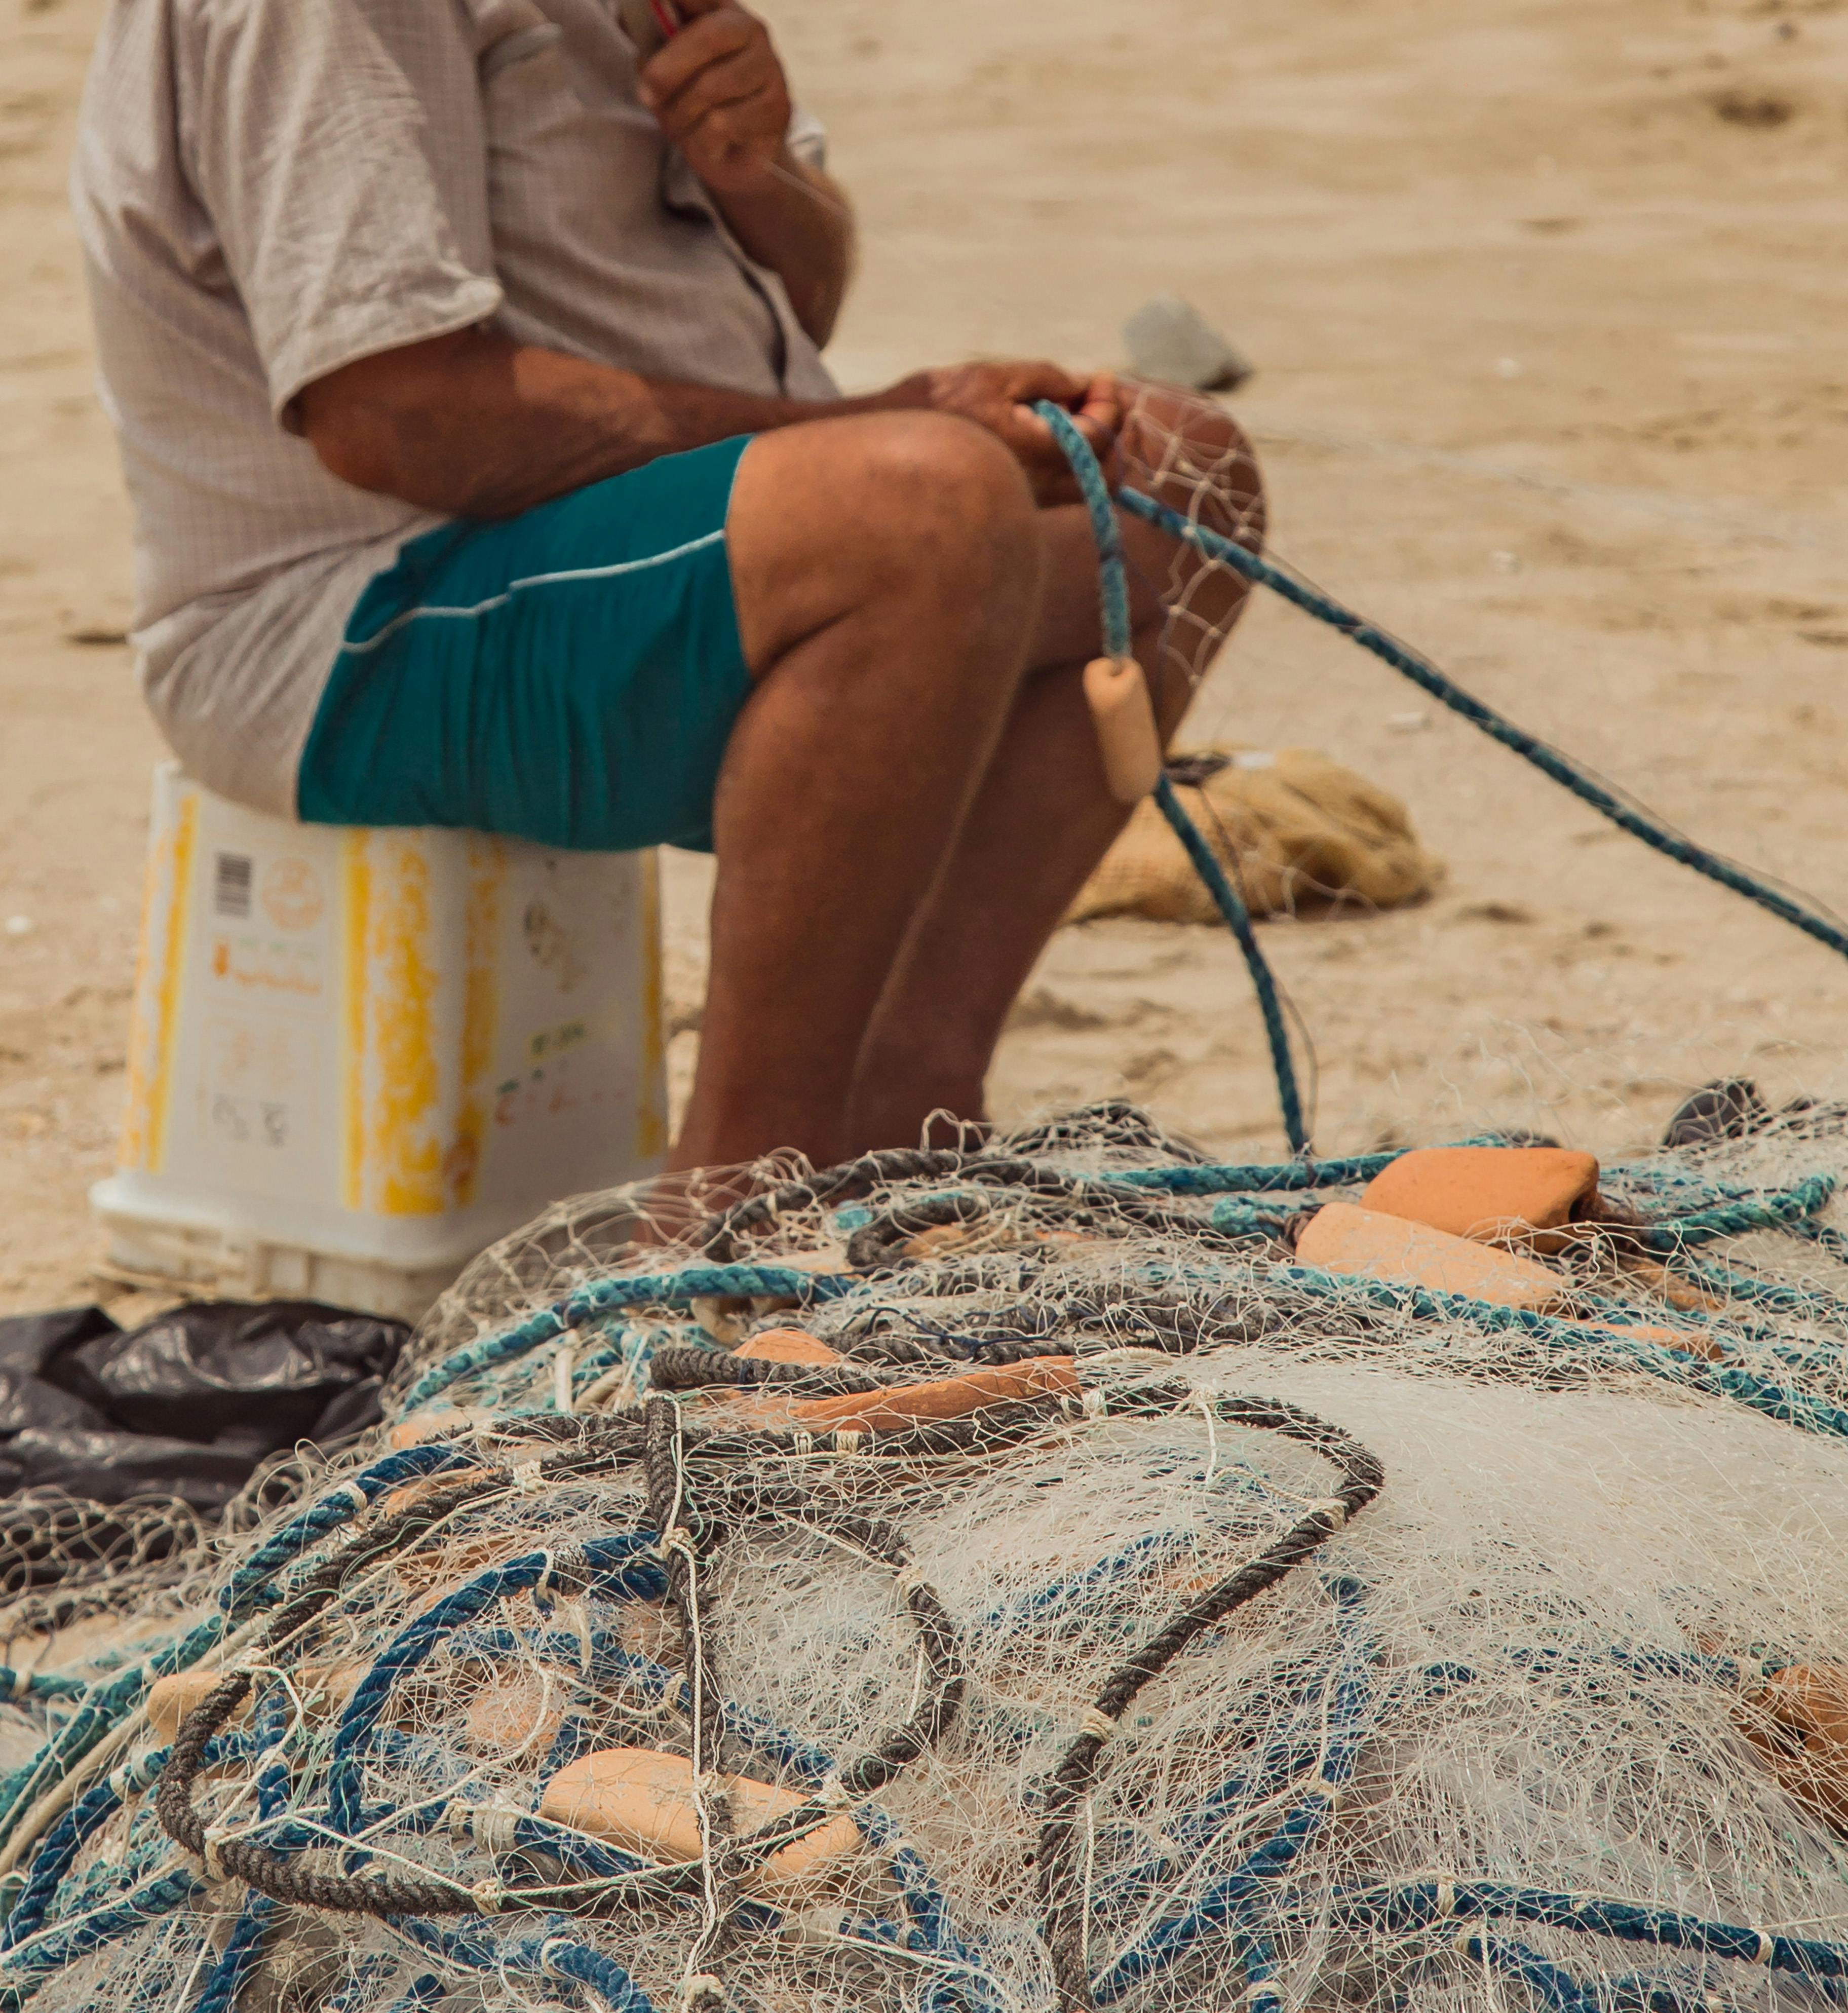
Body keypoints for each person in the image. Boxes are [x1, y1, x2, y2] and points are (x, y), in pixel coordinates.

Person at [72, 0, 1263, 1180]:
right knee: (922, 507)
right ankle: (742, 1191)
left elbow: (798, 306)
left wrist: (756, 177)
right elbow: (395, 416)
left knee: (1180, 481)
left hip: (598, 551)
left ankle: (909, 1110)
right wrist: (872, 434)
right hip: (349, 622)